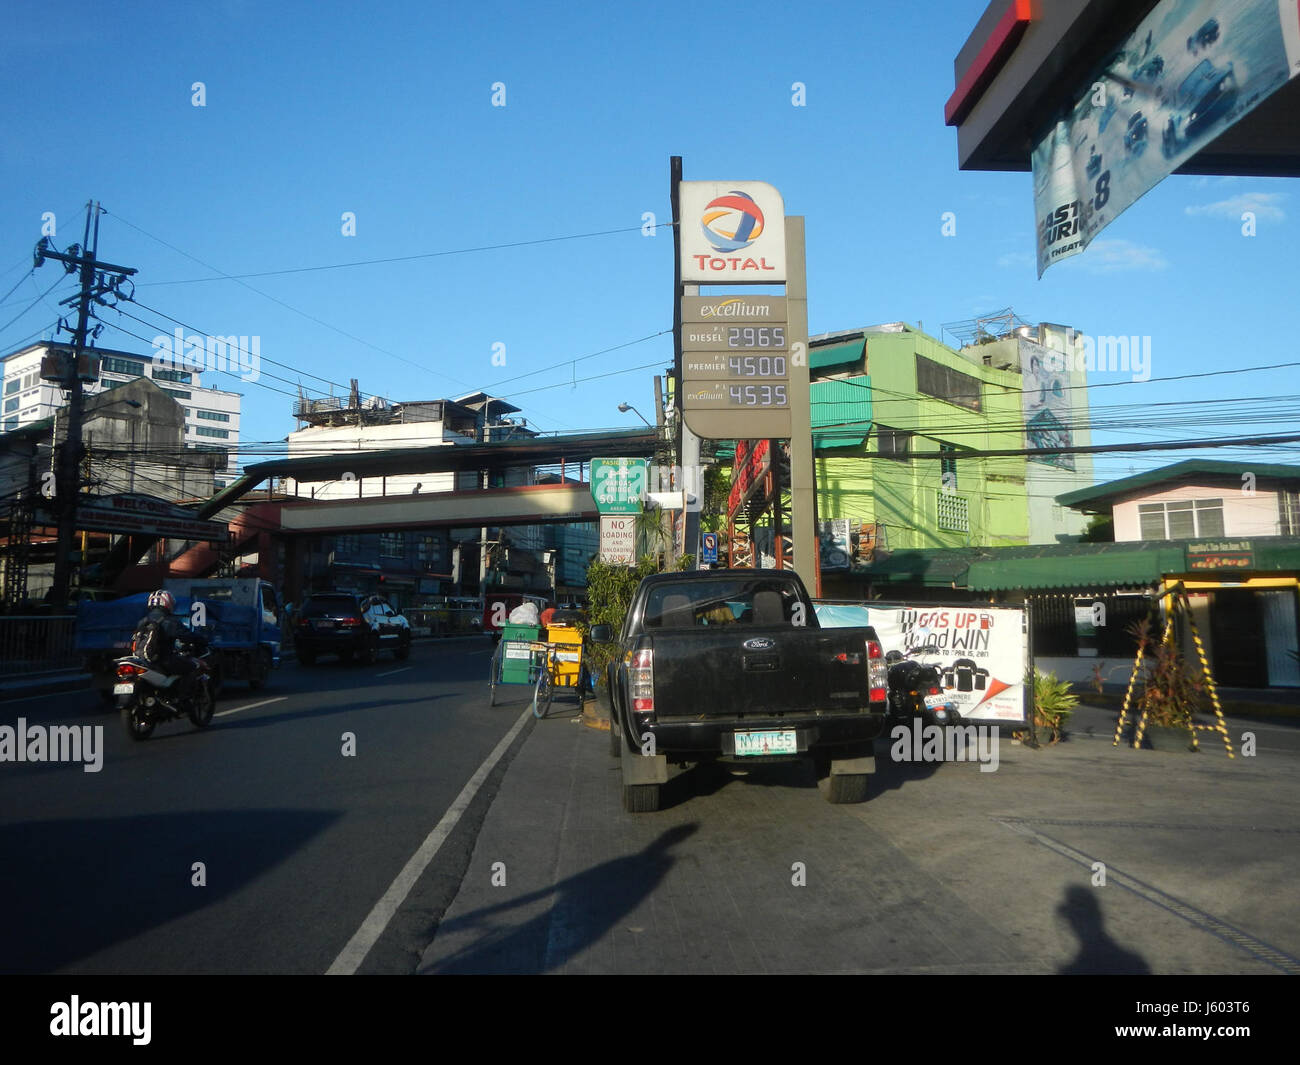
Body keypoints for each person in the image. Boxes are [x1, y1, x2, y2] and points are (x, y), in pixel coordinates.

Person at [133, 590, 206, 699]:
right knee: (192, 667)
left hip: (143, 660)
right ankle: (183, 698)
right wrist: (202, 641)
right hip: (164, 660)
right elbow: (188, 635)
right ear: (168, 603)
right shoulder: (170, 621)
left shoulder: (142, 621)